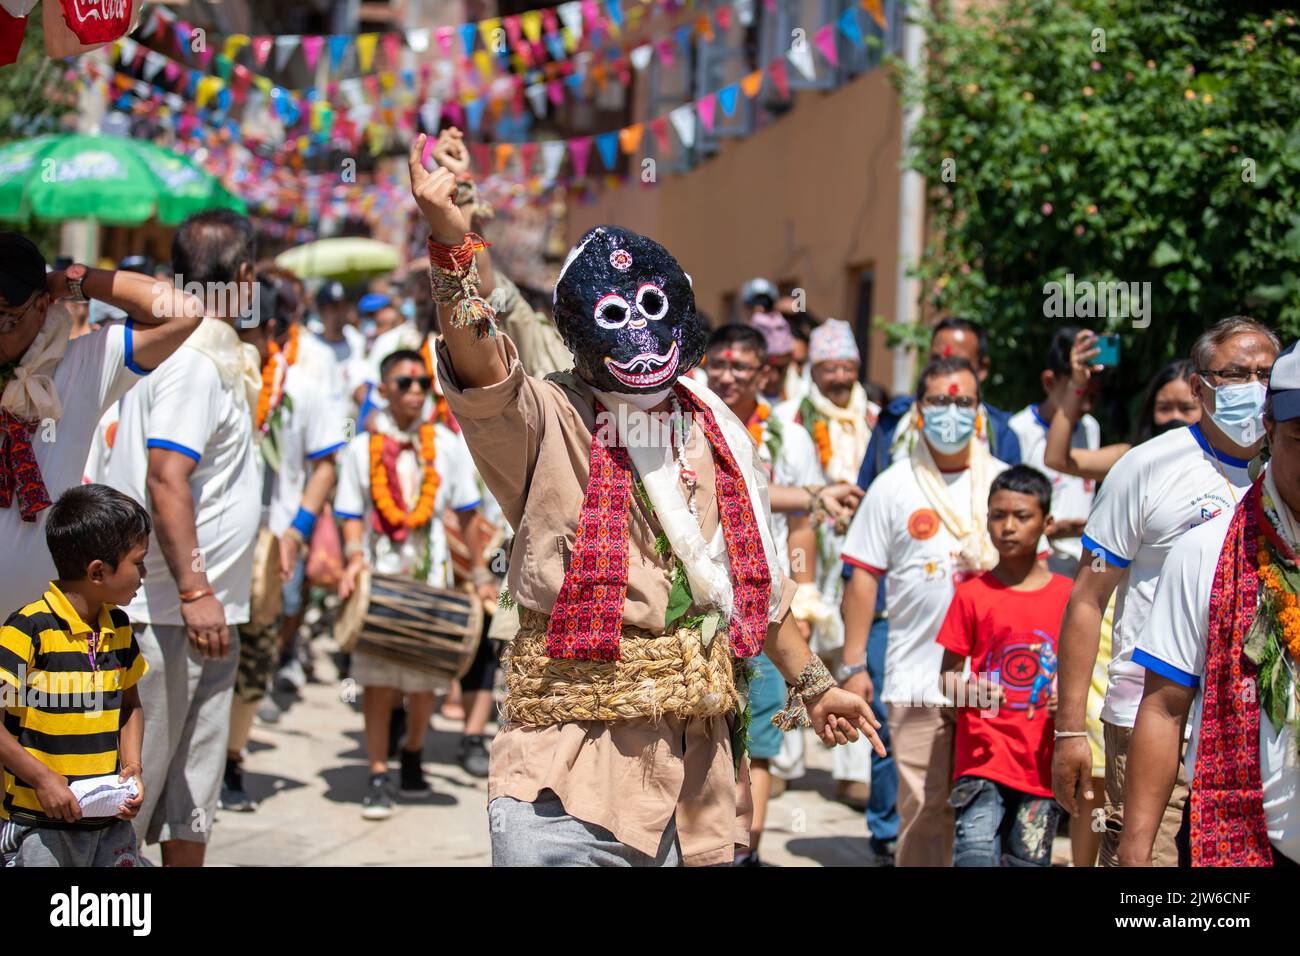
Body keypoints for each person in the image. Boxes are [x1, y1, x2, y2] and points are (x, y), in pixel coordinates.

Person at [408, 134, 881, 866]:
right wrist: (451, 238)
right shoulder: (552, 418)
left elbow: (750, 592)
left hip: (698, 777)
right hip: (568, 770)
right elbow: (481, 358)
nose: (637, 334)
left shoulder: (715, 428)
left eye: (652, 306)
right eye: (614, 315)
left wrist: (816, 688)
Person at [1053, 315, 1280, 868]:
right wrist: (1069, 731)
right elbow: (1087, 599)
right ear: (1200, 386)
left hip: (1255, 729)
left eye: (1266, 374)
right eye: (1235, 374)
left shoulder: (1285, 473)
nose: (1254, 387)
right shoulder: (1146, 467)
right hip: (1151, 722)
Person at [106, 210, 264, 868]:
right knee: (132, 803)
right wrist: (197, 589)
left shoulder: (207, 348)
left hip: (202, 615)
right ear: (246, 276)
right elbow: (166, 477)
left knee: (192, 800)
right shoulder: (193, 359)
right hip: (168, 614)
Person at [1120, 342, 1300, 867]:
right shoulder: (1207, 549)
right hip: (1244, 843)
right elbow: (1164, 705)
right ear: (1269, 427)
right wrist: (1135, 850)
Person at [840, 355, 1015, 867]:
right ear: (918, 411)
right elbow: (863, 577)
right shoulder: (893, 486)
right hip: (917, 679)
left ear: (979, 413)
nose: (950, 412)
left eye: (963, 402)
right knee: (923, 810)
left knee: (992, 815)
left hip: (998, 681)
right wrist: (853, 667)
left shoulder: (1008, 487)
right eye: (939, 400)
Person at [0, 232, 202, 616]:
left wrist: (73, 280)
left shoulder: (81, 366)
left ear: (42, 306)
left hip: (46, 642)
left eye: (6, 318)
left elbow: (184, 311)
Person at [335, 349, 493, 820]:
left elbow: (468, 512)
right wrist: (353, 558)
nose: (417, 390)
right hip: (382, 580)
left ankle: (413, 757)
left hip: (433, 580)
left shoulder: (446, 443)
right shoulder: (359, 448)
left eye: (423, 382)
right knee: (379, 682)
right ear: (383, 390)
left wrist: (482, 575)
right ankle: (378, 772)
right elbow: (348, 514)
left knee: (426, 676)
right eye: (405, 383)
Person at [220, 273, 346, 813]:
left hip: (270, 543)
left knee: (254, 656)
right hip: (211, 538)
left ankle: (230, 760)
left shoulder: (303, 388)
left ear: (272, 330)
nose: (241, 340)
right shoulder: (213, 378)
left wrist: (297, 529)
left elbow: (325, 465)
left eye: (250, 331)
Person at [704, 324, 826, 865]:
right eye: (720, 366)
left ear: (765, 374)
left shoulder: (790, 436)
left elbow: (805, 519)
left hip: (768, 605)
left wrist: (807, 595)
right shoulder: (691, 417)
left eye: (741, 368)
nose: (728, 377)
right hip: (706, 600)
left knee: (761, 732)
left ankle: (744, 848)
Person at [0, 484, 149, 866]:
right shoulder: (27, 630)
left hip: (108, 823)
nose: (144, 574)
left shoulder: (118, 628)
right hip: (38, 826)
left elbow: (130, 705)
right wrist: (43, 779)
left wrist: (132, 766)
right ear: (98, 571)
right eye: (138, 562)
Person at [936, 466, 1070, 866]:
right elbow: (946, 679)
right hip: (981, 757)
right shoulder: (971, 594)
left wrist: (1069, 700)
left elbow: (1084, 672)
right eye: (998, 515)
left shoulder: (1070, 596)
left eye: (1022, 516)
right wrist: (969, 691)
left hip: (1040, 762)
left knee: (1029, 859)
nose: (1008, 527)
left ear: (1046, 523)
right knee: (974, 855)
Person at [775, 318, 880, 805]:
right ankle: (782, 759)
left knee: (850, 657)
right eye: (829, 368)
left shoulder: (875, 418)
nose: (839, 378)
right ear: (814, 369)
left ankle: (852, 768)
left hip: (858, 550)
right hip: (802, 545)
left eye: (846, 368)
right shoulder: (788, 419)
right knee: (798, 647)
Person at [1045, 330, 1200, 482]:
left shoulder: (1219, 463)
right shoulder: (1133, 459)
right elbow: (1056, 459)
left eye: (1186, 408)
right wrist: (1077, 383)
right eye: (1164, 408)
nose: (1174, 417)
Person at [1008, 328, 1101, 576]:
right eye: (1078, 388)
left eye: (1092, 392)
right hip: (1036, 567)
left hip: (1080, 566)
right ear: (1049, 382)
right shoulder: (1018, 431)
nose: (1087, 403)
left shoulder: (1091, 427)